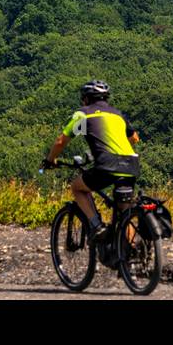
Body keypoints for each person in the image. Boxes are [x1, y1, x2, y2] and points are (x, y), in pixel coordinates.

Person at [43, 80, 140, 241]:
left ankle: (97, 226)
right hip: (131, 163)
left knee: (77, 187)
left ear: (86, 98)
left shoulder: (83, 114)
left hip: (107, 164)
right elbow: (134, 138)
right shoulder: (117, 114)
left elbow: (61, 142)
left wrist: (50, 160)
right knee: (125, 210)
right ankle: (129, 250)